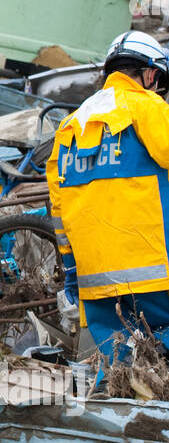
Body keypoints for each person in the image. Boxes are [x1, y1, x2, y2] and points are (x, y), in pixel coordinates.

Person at [47, 30, 169, 362]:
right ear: (150, 73)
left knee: (117, 364)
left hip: (95, 280)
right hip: (157, 273)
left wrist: (71, 265)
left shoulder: (70, 127)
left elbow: (57, 208)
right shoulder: (146, 107)